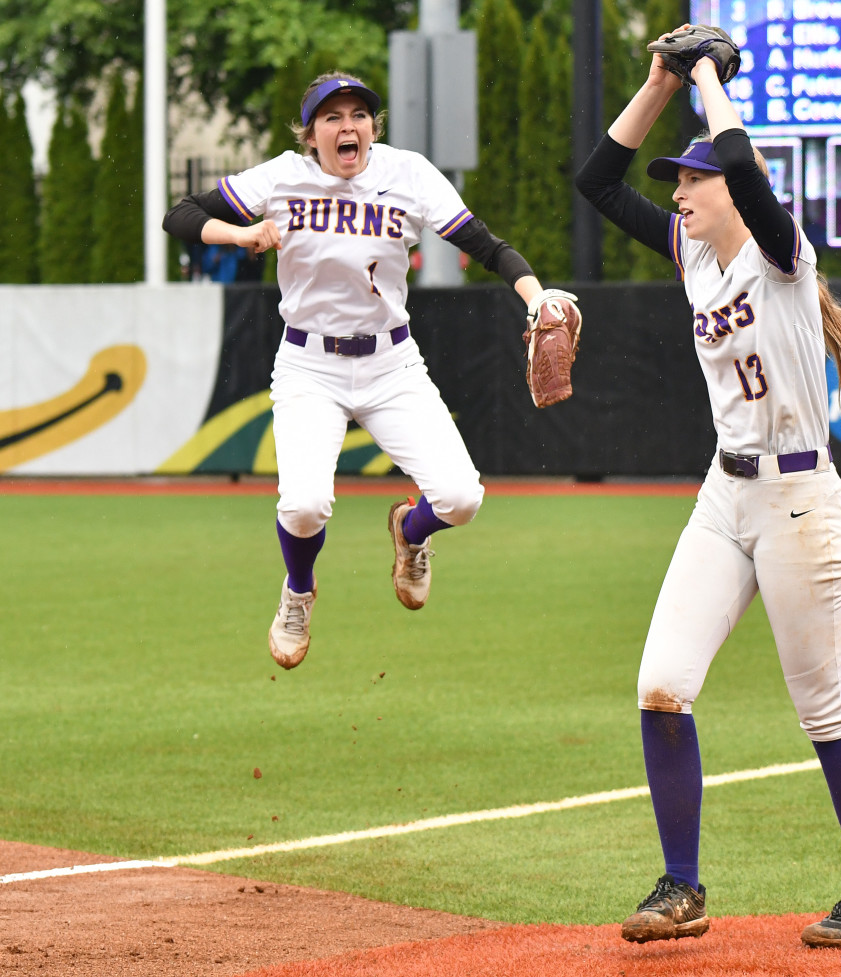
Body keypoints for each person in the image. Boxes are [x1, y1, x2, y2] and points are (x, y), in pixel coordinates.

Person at [575, 29, 841, 948]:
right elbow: (599, 182)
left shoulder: (776, 250)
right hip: (724, 497)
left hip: (800, 503)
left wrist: (712, 78)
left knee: (823, 707)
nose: (677, 191)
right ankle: (681, 886)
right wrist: (656, 85)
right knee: (661, 685)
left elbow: (742, 164)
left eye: (689, 178)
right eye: (677, 180)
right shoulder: (695, 256)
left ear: (725, 191)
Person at [163, 72, 569, 670]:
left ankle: (412, 532)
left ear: (372, 128)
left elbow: (486, 245)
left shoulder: (407, 174)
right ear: (311, 135)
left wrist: (536, 297)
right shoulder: (281, 177)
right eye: (331, 117)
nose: (347, 125)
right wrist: (241, 232)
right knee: (302, 506)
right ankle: (298, 592)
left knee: (461, 498)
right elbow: (181, 214)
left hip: (390, 362)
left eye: (358, 115)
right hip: (308, 364)